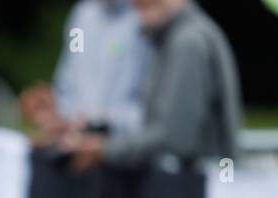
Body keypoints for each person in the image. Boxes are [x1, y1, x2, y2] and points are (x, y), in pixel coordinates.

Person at [60, 0, 242, 171]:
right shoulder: (172, 37)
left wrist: (105, 150)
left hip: (201, 188)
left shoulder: (187, 42)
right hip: (195, 185)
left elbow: (176, 138)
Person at [20, 0, 150, 145]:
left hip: (121, 147)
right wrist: (54, 110)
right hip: (76, 142)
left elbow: (151, 108)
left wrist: (97, 123)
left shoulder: (145, 16)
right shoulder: (83, 16)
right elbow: (68, 84)